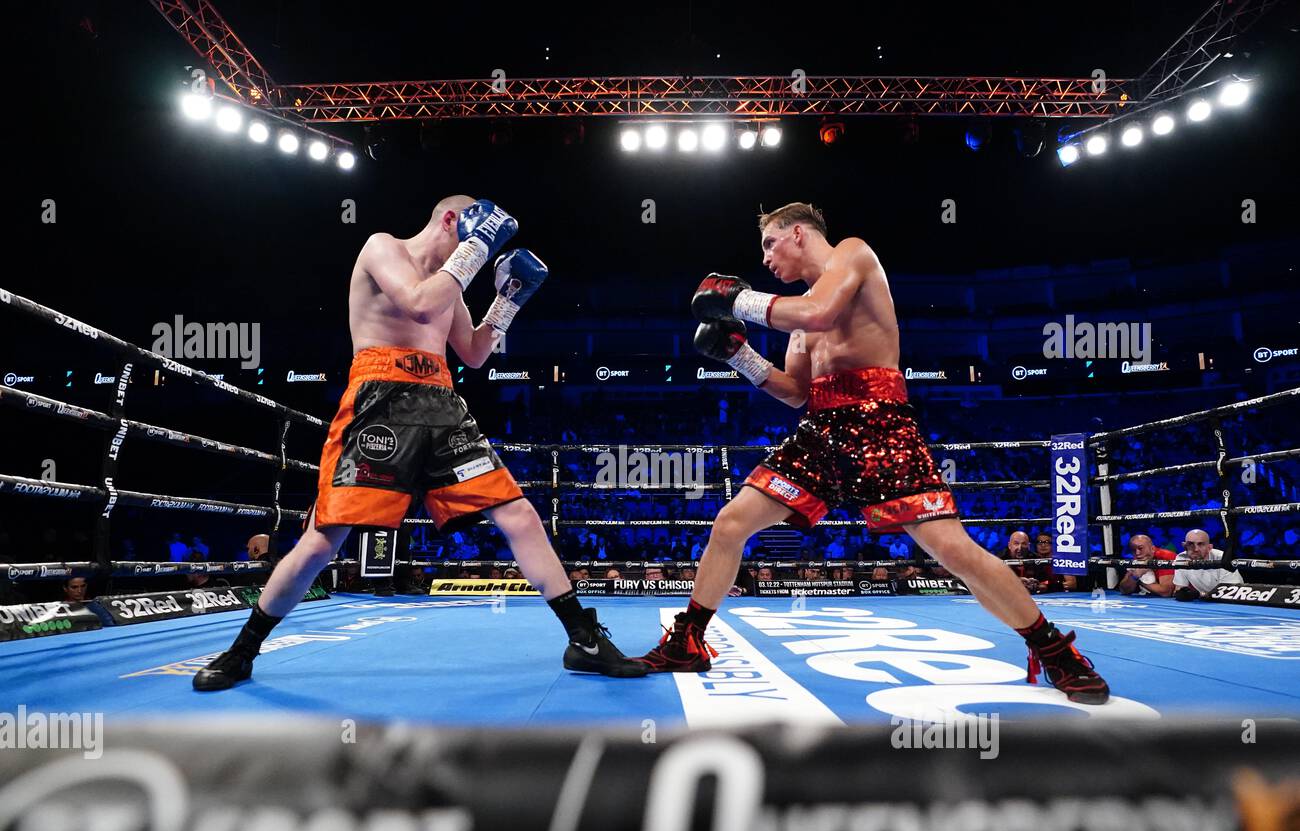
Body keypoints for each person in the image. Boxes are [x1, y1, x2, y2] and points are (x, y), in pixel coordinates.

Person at [636, 202, 1108, 703]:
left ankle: (1054, 648)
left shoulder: (854, 254)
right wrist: (740, 356)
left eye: (769, 244)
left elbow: (819, 311)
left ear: (798, 234)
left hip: (879, 420)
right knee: (731, 523)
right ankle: (690, 640)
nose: (766, 259)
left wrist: (738, 301)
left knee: (950, 548)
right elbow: (796, 391)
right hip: (820, 429)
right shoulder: (798, 319)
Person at [194, 197, 645, 690]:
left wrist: (508, 299)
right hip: (379, 399)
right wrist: (474, 250)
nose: (477, 252)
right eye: (474, 236)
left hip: (442, 404)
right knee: (325, 539)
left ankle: (583, 638)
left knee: (519, 514)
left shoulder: (448, 285)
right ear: (451, 221)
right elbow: (418, 303)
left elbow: (473, 353)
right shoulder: (383, 248)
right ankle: (243, 650)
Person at [1172, 529, 1242, 601]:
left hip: (1234, 601)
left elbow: (1230, 592)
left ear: (1210, 547)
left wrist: (1200, 594)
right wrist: (1183, 594)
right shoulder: (1181, 558)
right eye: (1190, 544)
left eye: (1200, 544)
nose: (1195, 549)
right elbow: (1180, 589)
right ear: (1184, 546)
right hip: (1205, 602)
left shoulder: (1223, 558)